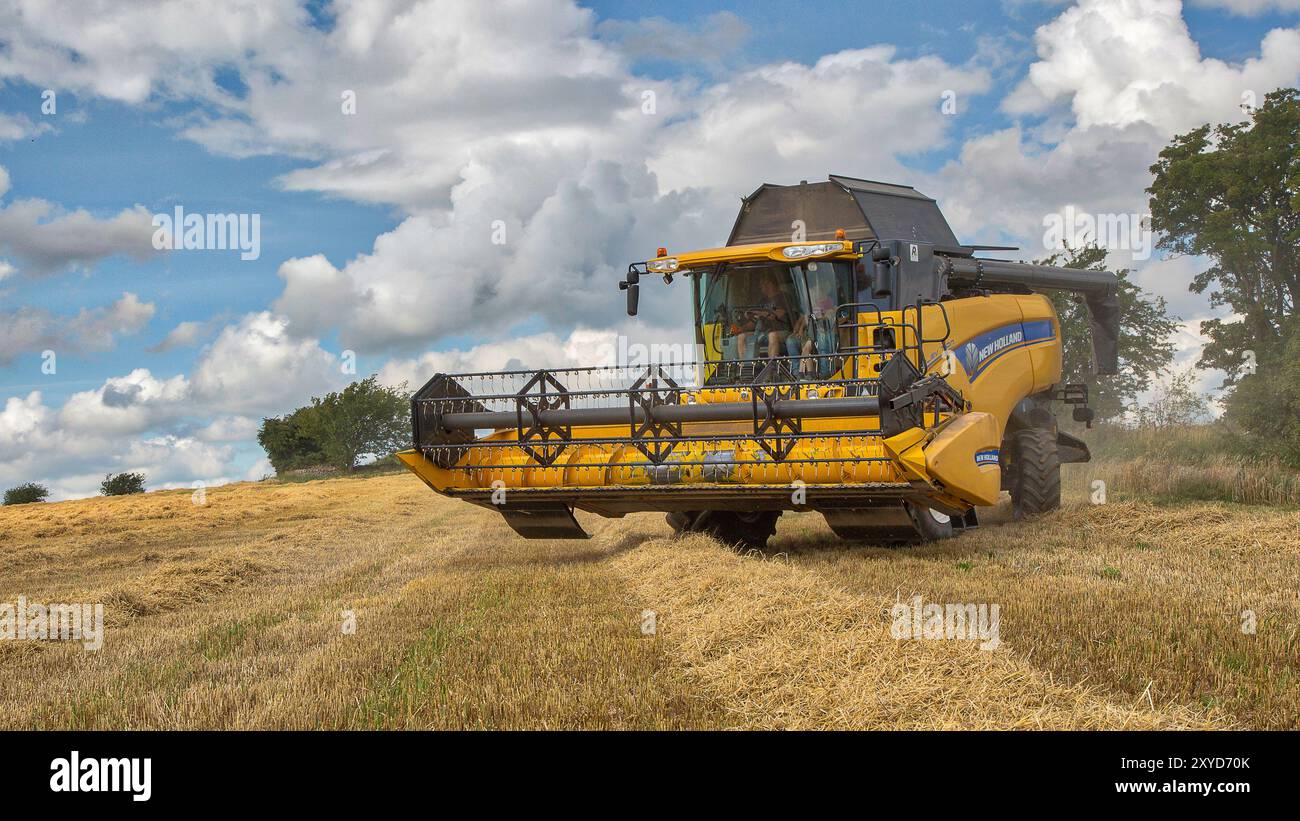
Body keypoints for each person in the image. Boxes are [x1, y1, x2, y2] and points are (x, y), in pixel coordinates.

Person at [787, 275, 837, 375]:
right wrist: (800, 330)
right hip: (810, 332)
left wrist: (823, 315)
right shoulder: (811, 305)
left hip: (823, 330)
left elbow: (830, 317)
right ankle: (797, 372)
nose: (817, 291)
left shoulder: (829, 302)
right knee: (791, 341)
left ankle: (824, 373)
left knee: (819, 340)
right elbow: (806, 318)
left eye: (820, 288)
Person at [736, 272, 792, 360]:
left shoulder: (784, 297)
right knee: (741, 336)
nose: (761, 288)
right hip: (763, 333)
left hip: (782, 331)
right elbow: (755, 322)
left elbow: (779, 314)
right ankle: (745, 367)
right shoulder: (762, 301)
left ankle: (771, 368)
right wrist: (740, 329)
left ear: (769, 284)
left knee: (772, 335)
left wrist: (760, 313)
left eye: (762, 284)